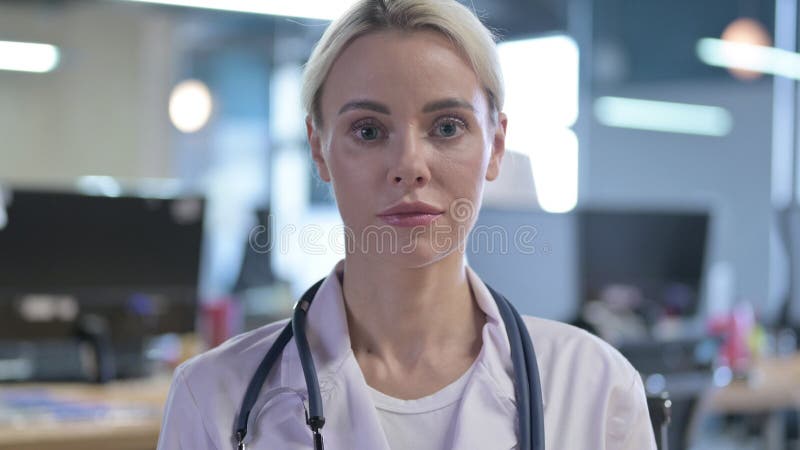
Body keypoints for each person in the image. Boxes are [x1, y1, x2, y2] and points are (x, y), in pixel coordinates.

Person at [157, 0, 656, 449]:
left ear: (496, 145)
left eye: (447, 127)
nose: (409, 164)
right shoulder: (211, 399)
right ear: (318, 149)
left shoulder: (596, 388)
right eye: (368, 130)